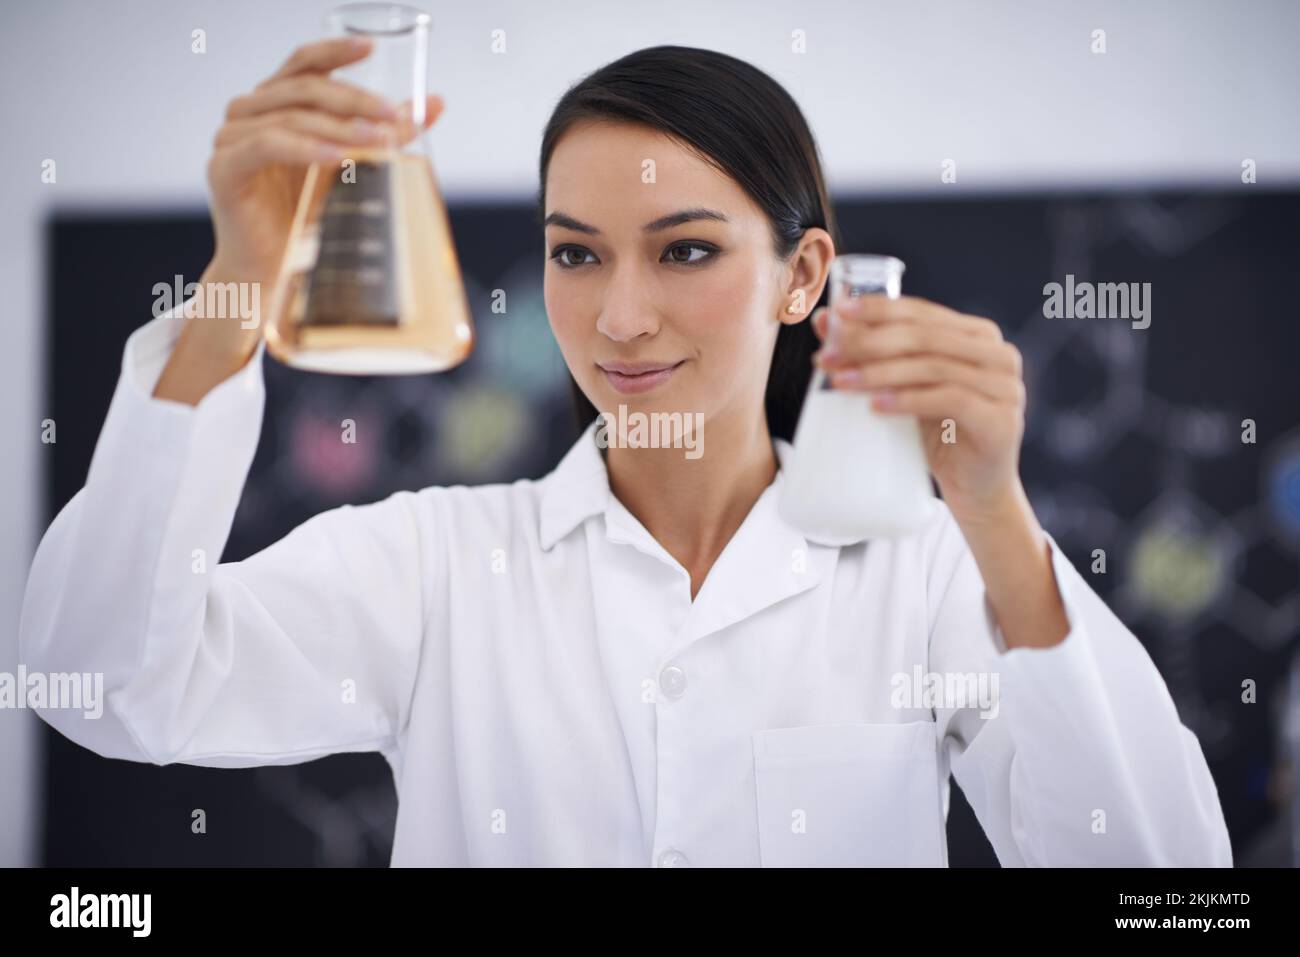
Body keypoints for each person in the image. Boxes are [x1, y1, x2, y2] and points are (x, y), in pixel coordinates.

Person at [20, 40, 1232, 867]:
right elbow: (107, 685)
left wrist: (995, 519)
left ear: (804, 275)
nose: (618, 317)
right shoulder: (436, 567)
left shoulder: (922, 577)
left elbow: (1158, 884)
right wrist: (239, 279)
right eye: (576, 252)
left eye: (686, 251)